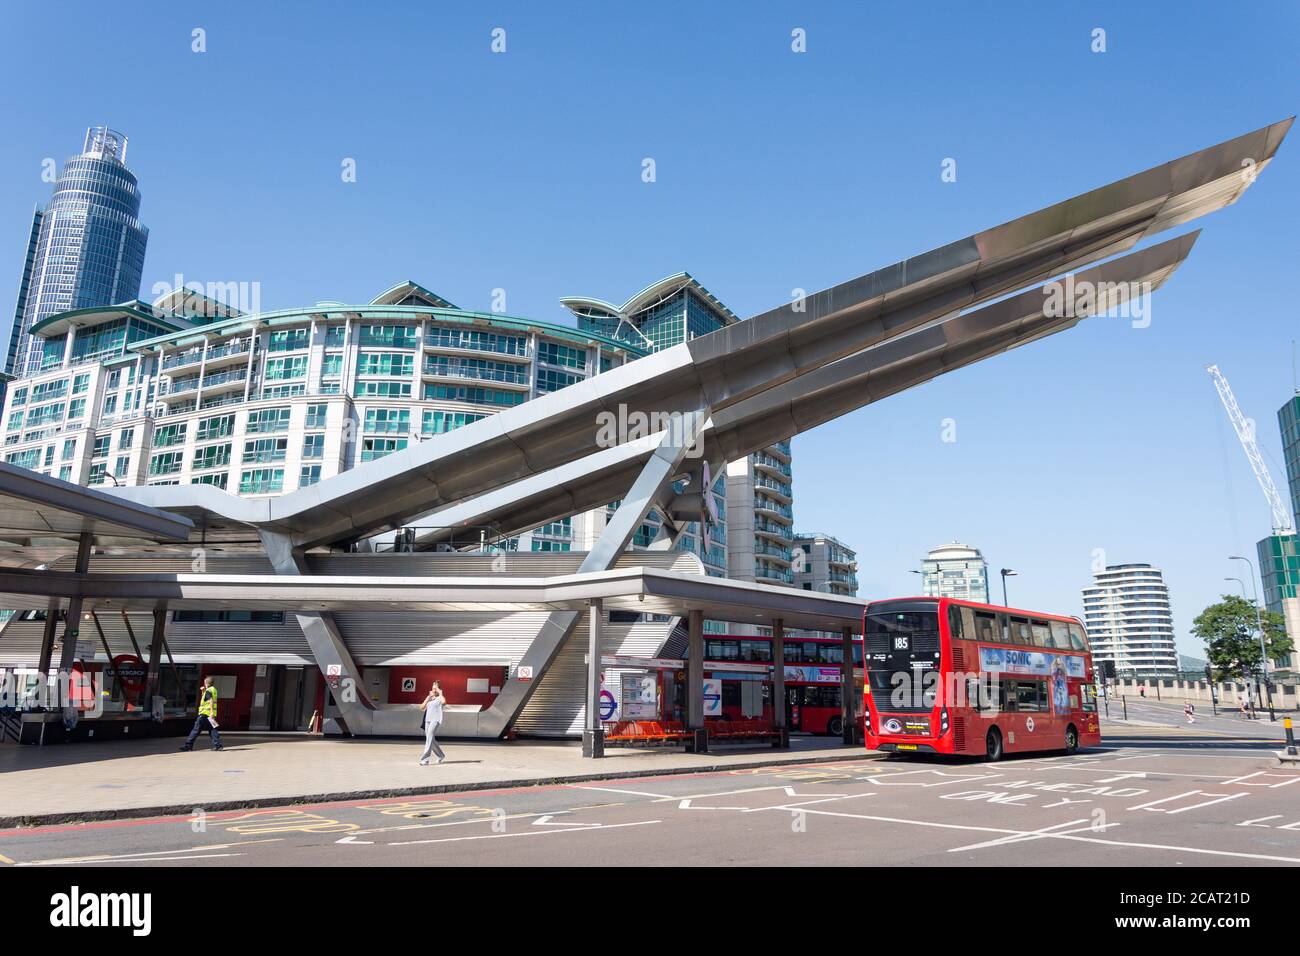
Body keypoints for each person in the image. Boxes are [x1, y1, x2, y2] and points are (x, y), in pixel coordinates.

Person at [180, 677, 223, 751]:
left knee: (195, 730)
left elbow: (210, 700)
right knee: (212, 730)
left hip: (204, 714)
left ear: (206, 683)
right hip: (209, 715)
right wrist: (203, 691)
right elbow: (207, 699)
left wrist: (211, 712)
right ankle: (218, 745)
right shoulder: (213, 689)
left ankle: (188, 745)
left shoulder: (208, 691)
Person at [417, 681, 446, 765]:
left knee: (429, 737)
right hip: (427, 720)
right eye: (433, 688)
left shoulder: (440, 697)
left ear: (439, 689)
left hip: (435, 720)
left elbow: (444, 702)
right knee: (430, 739)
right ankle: (441, 755)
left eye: (435, 688)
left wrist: (440, 693)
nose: (434, 690)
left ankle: (425, 759)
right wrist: (427, 698)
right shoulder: (430, 697)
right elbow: (421, 708)